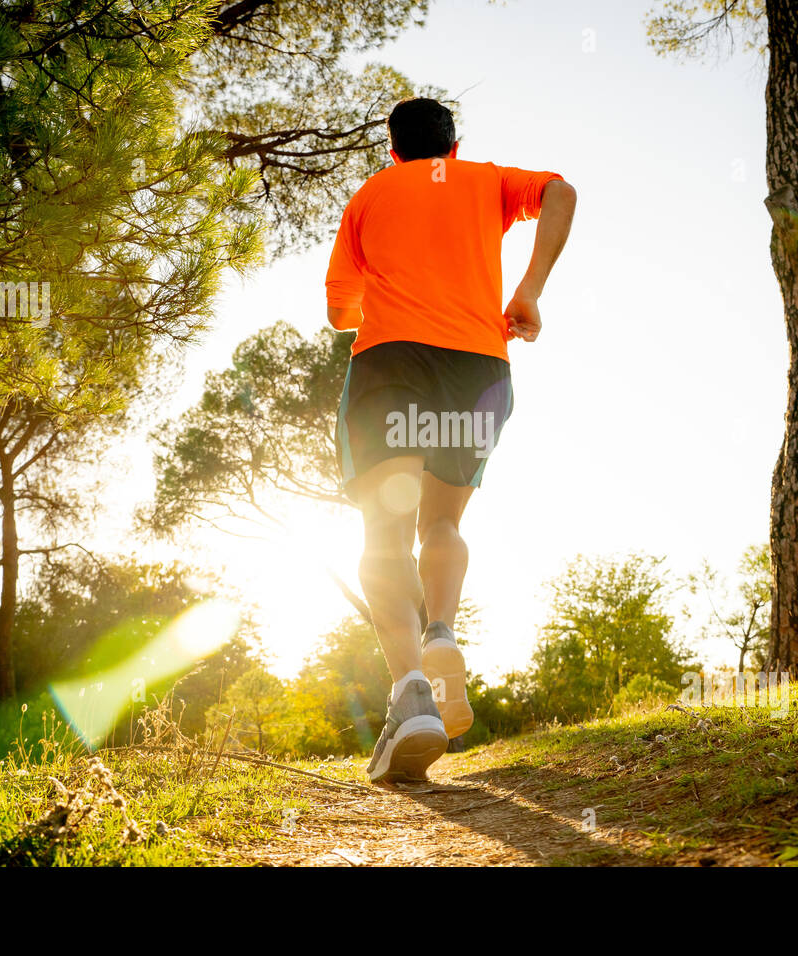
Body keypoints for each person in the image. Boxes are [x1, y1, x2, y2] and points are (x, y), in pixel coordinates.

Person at [325, 97, 576, 784]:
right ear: (453, 146)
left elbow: (339, 311)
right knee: (442, 522)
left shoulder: (369, 196)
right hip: (478, 367)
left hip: (393, 363)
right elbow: (561, 192)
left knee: (384, 536)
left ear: (393, 150)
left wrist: (386, 289)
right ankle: (441, 629)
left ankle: (411, 694)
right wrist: (528, 291)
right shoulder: (486, 180)